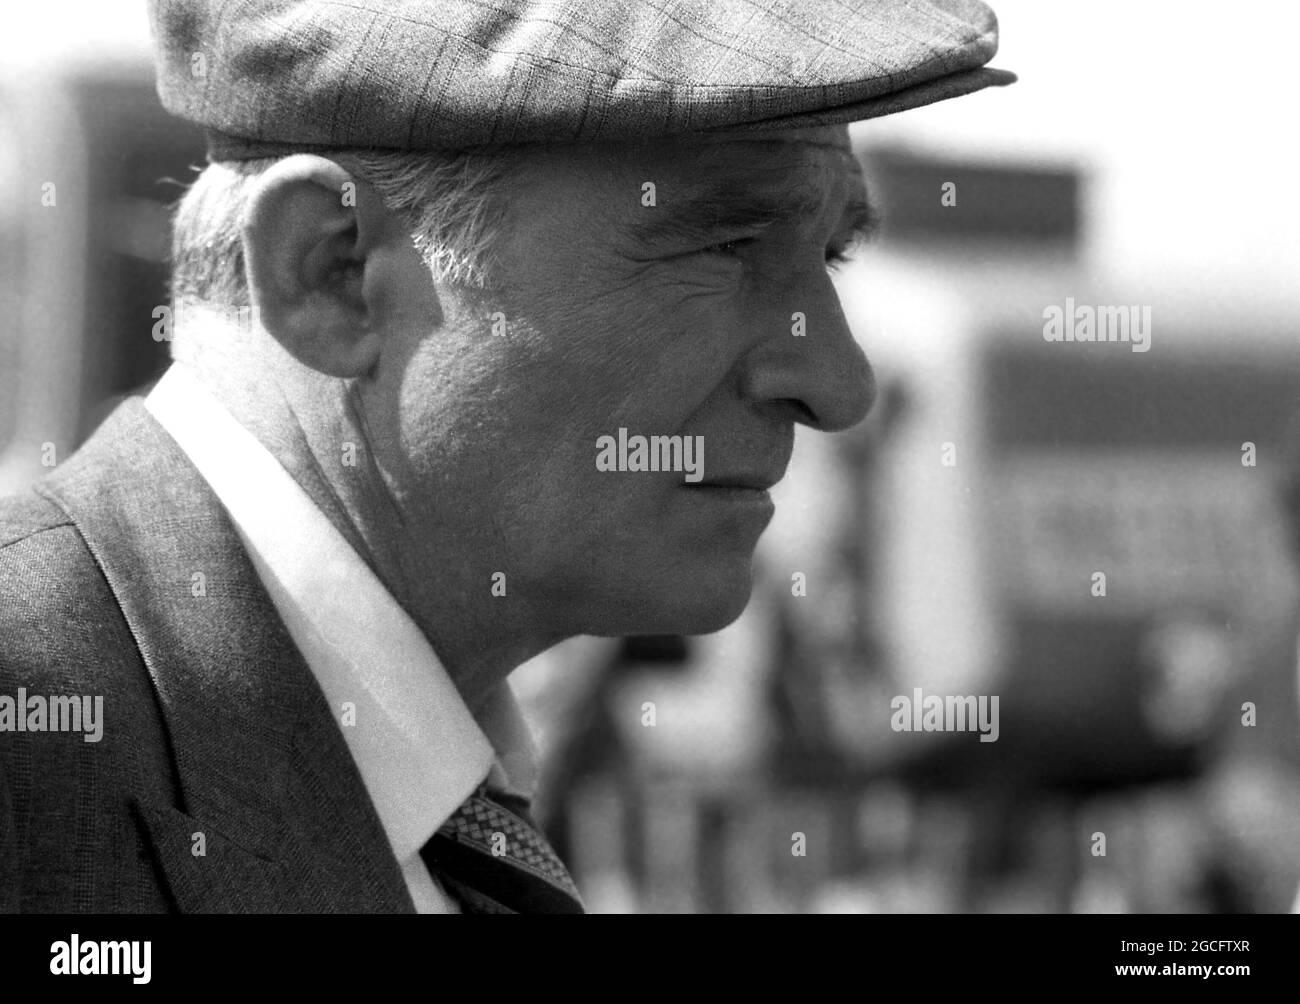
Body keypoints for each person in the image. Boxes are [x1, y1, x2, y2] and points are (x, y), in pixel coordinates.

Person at [0, 0, 1012, 912]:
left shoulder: (430, 788)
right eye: (725, 246)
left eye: (828, 255)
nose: (839, 384)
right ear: (334, 275)